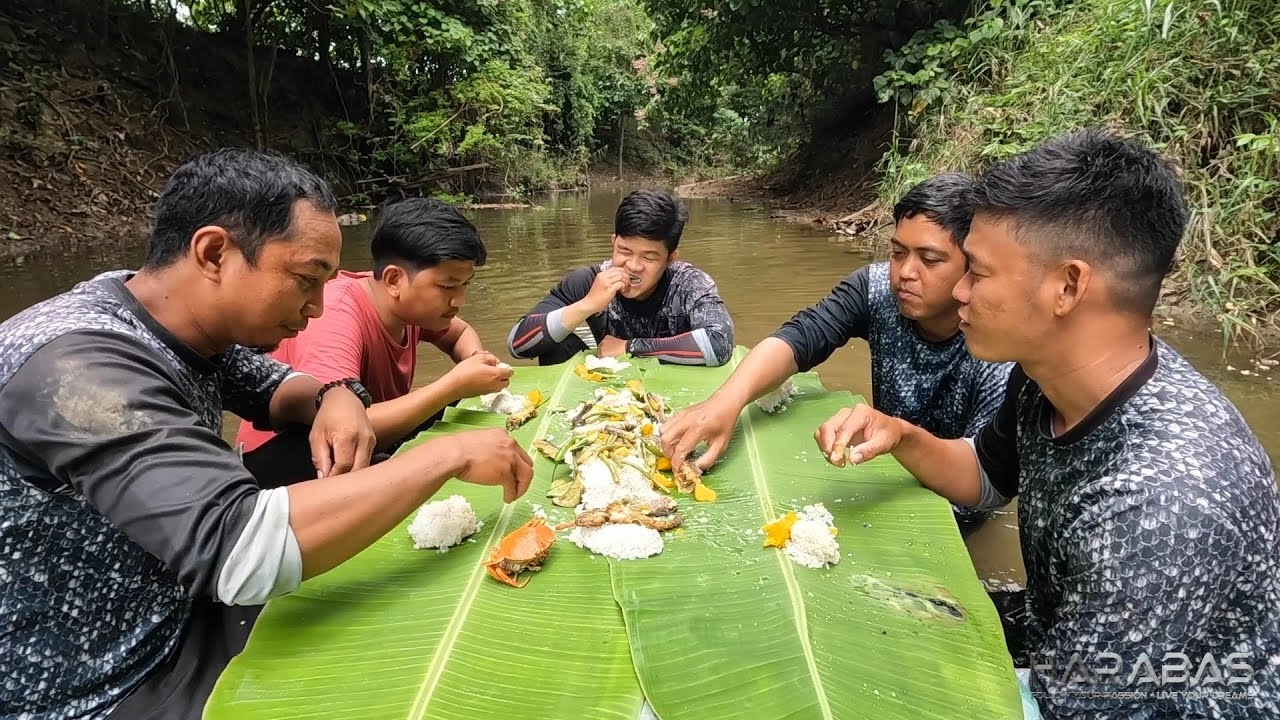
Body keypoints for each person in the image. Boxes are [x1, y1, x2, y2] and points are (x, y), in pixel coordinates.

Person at [0, 149, 532, 720]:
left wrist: (335, 395)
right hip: (109, 682)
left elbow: (275, 386)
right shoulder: (78, 362)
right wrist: (445, 456)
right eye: (306, 279)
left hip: (181, 611)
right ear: (212, 253)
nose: (319, 305)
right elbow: (236, 550)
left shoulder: (172, 320)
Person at [814, 128, 1280, 718]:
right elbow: (985, 474)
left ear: (1068, 285)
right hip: (1059, 637)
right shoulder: (1044, 375)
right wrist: (902, 435)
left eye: (976, 274)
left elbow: (1078, 703)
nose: (957, 292)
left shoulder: (1160, 504)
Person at [660, 173, 1012, 522]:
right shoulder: (877, 291)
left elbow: (983, 486)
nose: (905, 272)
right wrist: (726, 402)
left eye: (930, 260)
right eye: (897, 253)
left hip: (950, 501)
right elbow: (802, 336)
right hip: (880, 469)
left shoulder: (1001, 350)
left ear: (972, 266)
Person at [235, 197, 512, 484]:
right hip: (284, 466)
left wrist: (477, 361)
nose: (459, 300)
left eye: (464, 285)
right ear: (394, 280)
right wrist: (453, 385)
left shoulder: (412, 308)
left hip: (364, 440)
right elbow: (341, 429)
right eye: (448, 286)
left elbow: (460, 333)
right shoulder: (336, 312)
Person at [506, 189, 734, 366]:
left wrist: (630, 347)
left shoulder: (690, 284)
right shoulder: (589, 280)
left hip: (673, 389)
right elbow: (517, 345)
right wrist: (587, 305)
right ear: (613, 242)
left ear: (671, 258)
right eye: (624, 251)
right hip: (611, 393)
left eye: (649, 257)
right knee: (558, 343)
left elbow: (720, 344)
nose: (634, 266)